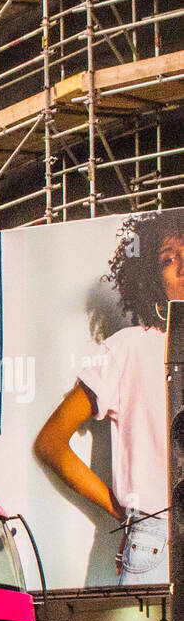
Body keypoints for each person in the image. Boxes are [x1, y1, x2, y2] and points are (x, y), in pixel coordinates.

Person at [34, 211, 184, 585]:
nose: (182, 266)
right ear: (153, 277)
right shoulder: (129, 349)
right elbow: (50, 443)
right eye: (168, 259)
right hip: (156, 543)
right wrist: (126, 512)